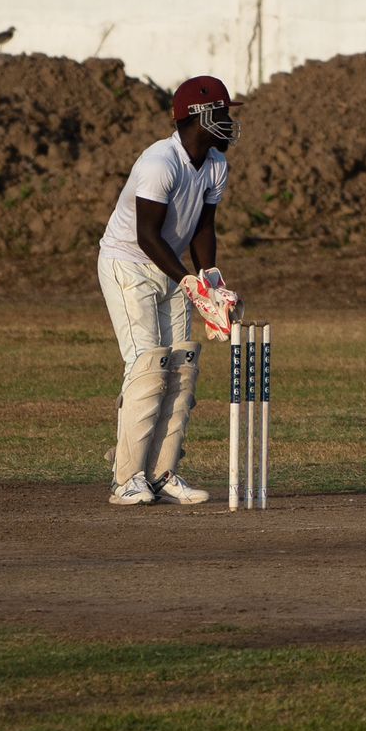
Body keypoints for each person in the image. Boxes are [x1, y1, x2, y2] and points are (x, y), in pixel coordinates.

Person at [97, 75, 243, 506]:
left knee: (181, 365)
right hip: (130, 265)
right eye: (221, 112)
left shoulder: (215, 164)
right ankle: (126, 478)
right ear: (197, 115)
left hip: (172, 266)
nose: (227, 120)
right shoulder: (160, 163)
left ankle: (161, 473)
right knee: (148, 367)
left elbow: (203, 226)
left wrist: (210, 280)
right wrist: (186, 281)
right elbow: (147, 234)